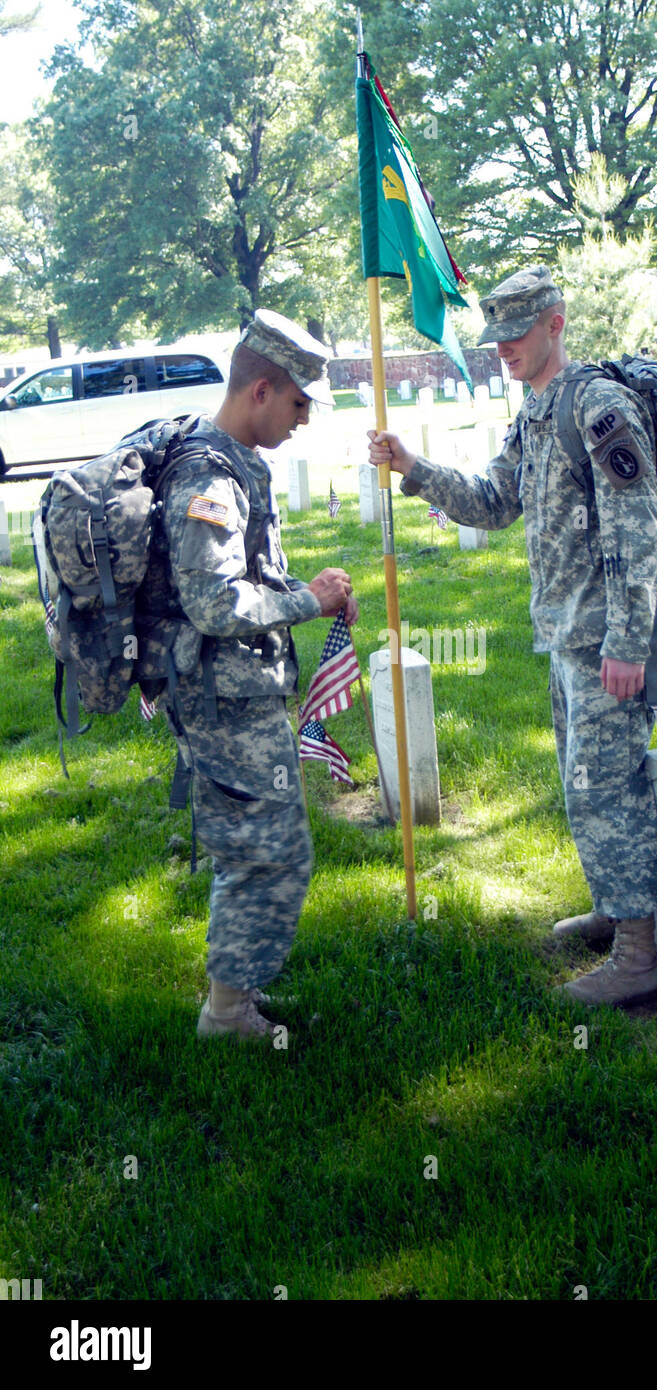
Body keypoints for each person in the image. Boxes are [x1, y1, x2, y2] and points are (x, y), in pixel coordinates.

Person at [368, 266, 657, 1007]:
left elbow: (640, 526)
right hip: (565, 635)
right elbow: (493, 500)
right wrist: (413, 468)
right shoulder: (536, 412)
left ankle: (638, 954)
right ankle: (612, 906)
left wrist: (629, 642)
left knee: (609, 788)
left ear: (555, 323)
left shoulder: (597, 407)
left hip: (604, 638)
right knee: (584, 784)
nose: (502, 347)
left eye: (516, 333)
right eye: (495, 335)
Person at [157, 310, 357, 1039]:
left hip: (240, 691)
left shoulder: (236, 462)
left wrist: (305, 588)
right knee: (271, 855)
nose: (305, 419)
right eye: (300, 403)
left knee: (257, 851)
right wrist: (309, 601)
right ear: (263, 390)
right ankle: (228, 1015)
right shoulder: (208, 473)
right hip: (223, 702)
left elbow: (239, 575)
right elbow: (212, 601)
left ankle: (233, 1002)